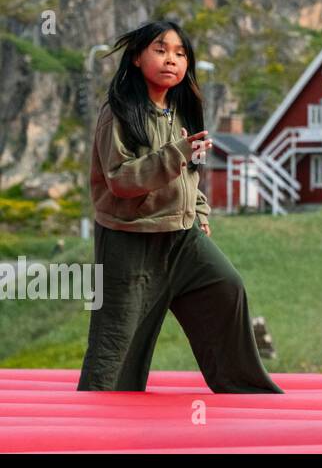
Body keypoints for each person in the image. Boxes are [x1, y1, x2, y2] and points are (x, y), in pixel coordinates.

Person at [78, 21, 282, 394]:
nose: (171, 59)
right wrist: (177, 155)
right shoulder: (119, 112)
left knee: (226, 287)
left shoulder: (182, 112)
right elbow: (120, 180)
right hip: (129, 240)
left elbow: (190, 176)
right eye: (160, 50)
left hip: (181, 236)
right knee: (117, 339)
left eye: (180, 53)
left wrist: (199, 211)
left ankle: (246, 391)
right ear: (137, 58)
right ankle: (99, 419)